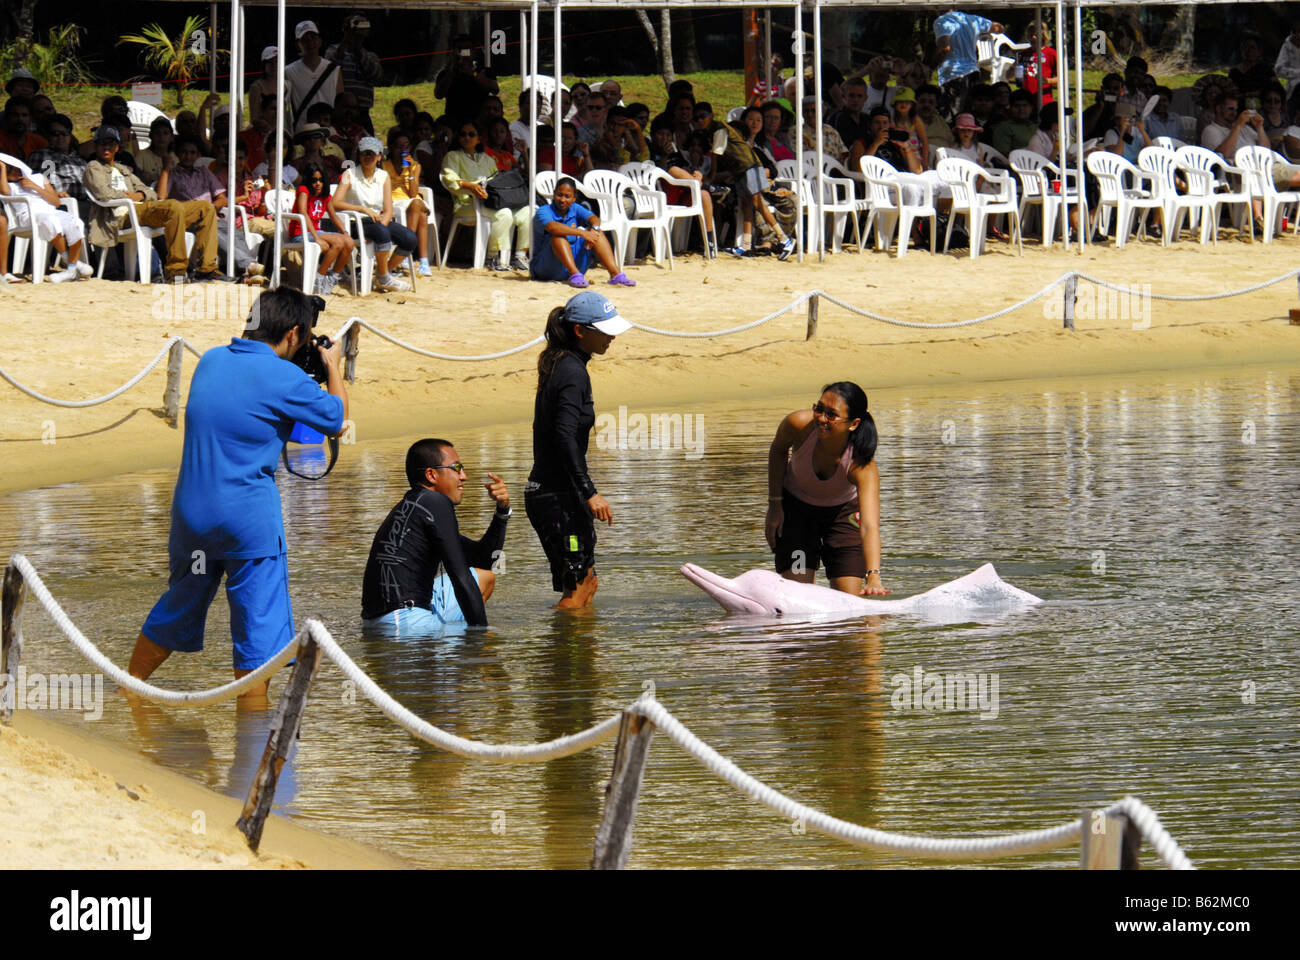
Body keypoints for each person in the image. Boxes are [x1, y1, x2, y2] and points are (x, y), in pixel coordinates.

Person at [128, 288, 347, 705]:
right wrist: (331, 366)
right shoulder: (287, 378)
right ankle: (250, 741)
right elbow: (336, 420)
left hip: (191, 516)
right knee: (258, 636)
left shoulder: (210, 360)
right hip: (247, 523)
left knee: (180, 604)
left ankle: (131, 689)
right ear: (296, 332)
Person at [525, 291, 630, 609]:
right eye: (604, 329)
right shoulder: (571, 372)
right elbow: (564, 437)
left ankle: (578, 656)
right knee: (578, 590)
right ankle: (561, 655)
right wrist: (590, 492)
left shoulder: (563, 363)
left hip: (557, 495)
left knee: (587, 582)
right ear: (580, 331)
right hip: (556, 499)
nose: (612, 336)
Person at [361, 439, 510, 634]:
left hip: (385, 619)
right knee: (491, 639)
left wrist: (502, 510)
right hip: (404, 622)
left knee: (485, 577)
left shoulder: (419, 504)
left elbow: (485, 559)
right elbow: (460, 577)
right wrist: (480, 641)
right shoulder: (435, 502)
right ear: (431, 475)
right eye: (456, 468)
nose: (463, 476)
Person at [765, 382, 887, 597]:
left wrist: (874, 577)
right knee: (798, 594)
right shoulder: (798, 424)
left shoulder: (861, 465)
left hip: (842, 516)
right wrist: (775, 505)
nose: (821, 418)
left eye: (831, 415)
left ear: (853, 423)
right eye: (819, 409)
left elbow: (869, 526)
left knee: (849, 600)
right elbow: (778, 450)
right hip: (797, 513)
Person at [83, 126, 225, 283]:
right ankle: (176, 271)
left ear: (117, 147)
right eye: (102, 143)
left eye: (110, 143)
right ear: (95, 146)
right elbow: (104, 194)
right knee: (172, 206)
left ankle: (206, 269)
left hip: (140, 210)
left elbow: (150, 193)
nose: (106, 147)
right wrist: (130, 196)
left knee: (205, 208)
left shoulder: (122, 169)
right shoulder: (94, 167)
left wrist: (139, 195)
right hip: (119, 216)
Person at [158, 134, 259, 283]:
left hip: (210, 215)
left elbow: (222, 198)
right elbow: (161, 197)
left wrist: (209, 209)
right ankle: (248, 265)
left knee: (233, 232)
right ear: (178, 154)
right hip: (188, 220)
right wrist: (166, 169)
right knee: (216, 232)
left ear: (198, 155)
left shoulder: (204, 172)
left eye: (192, 153)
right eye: (184, 152)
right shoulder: (173, 174)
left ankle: (247, 270)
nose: (188, 156)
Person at [440, 120, 529, 272]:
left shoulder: (487, 159)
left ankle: (520, 255)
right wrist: (470, 186)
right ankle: (493, 257)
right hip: (467, 204)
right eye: (463, 134)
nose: (467, 137)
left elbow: (496, 181)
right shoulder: (452, 156)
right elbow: (449, 179)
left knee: (528, 211)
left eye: (471, 134)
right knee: (504, 214)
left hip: (491, 202)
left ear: (478, 138)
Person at [332, 136, 416, 291]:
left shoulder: (383, 176)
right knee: (381, 232)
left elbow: (389, 209)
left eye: (371, 153)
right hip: (355, 221)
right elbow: (335, 203)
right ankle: (384, 278)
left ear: (379, 157)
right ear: (359, 155)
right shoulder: (349, 174)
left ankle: (383, 272)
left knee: (409, 238)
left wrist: (381, 225)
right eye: (364, 153)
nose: (367, 157)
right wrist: (362, 209)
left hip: (376, 221)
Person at [0, 155, 92, 282]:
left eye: (14, 168)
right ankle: (69, 260)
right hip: (29, 217)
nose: (14, 172)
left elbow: (56, 202)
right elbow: (4, 191)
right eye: (8, 170)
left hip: (51, 211)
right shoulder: (9, 186)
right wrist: (2, 168)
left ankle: (71, 269)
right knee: (50, 220)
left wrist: (36, 187)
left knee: (76, 222)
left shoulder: (38, 178)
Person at [531, 177, 630, 287]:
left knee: (597, 233)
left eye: (567, 196)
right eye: (559, 195)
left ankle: (615, 275)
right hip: (547, 267)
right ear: (554, 195)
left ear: (574, 198)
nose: (563, 200)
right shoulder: (544, 210)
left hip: (574, 265)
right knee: (558, 235)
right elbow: (553, 227)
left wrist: (594, 229)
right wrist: (582, 233)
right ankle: (575, 275)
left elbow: (594, 219)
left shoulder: (575, 208)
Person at [293, 161, 354, 294]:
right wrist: (317, 238)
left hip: (316, 231)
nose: (318, 183)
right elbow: (303, 213)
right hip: (301, 232)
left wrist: (345, 232)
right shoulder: (303, 190)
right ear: (309, 180)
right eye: (314, 180)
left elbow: (334, 216)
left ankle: (332, 277)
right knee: (337, 243)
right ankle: (318, 278)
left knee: (349, 242)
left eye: (321, 180)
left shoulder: (325, 195)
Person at [933, 10, 1004, 115]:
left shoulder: (942, 21)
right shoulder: (974, 20)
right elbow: (999, 28)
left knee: (953, 114)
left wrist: (932, 66)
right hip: (972, 72)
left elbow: (945, 48)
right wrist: (981, 34)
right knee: (969, 113)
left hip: (953, 73)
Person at [325, 14, 382, 134]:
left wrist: (358, 50)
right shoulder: (333, 50)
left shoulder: (370, 56)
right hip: (339, 110)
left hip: (362, 111)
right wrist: (347, 40)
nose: (358, 33)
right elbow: (330, 68)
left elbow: (375, 75)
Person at [286, 20, 343, 133]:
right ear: (298, 44)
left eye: (313, 37)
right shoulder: (288, 72)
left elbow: (340, 103)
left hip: (330, 133)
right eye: (305, 39)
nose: (310, 42)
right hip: (303, 133)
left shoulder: (335, 70)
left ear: (320, 41)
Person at [436, 36, 498, 127]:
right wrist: (453, 71)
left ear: (474, 52)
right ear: (453, 52)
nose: (463, 53)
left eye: (467, 49)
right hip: (454, 123)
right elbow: (438, 95)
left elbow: (495, 89)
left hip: (479, 123)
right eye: (459, 49)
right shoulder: (446, 74)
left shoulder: (483, 71)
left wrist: (473, 73)